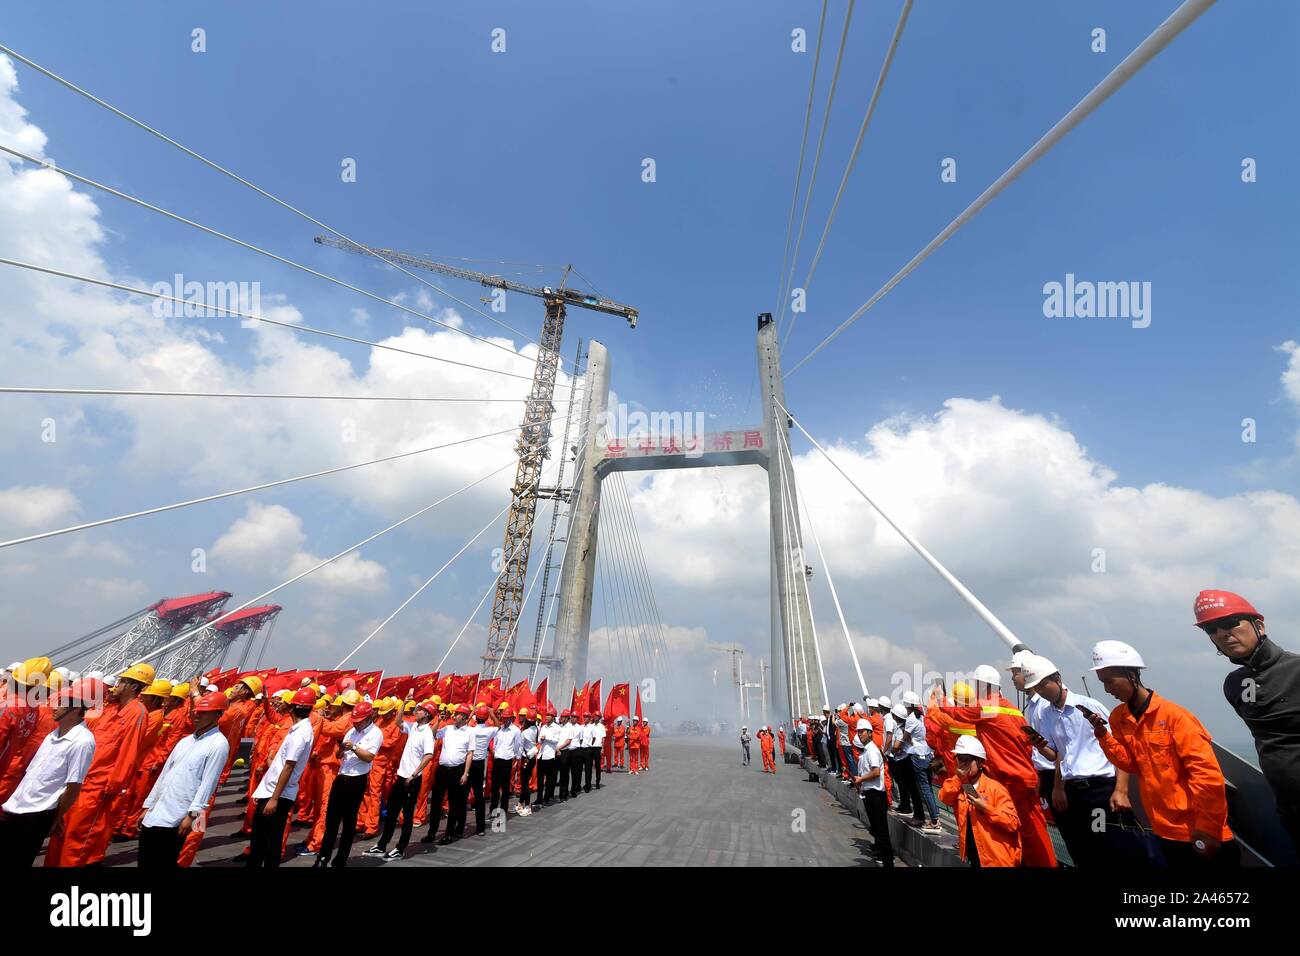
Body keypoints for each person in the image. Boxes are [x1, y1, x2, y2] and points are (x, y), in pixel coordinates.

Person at [1087, 640, 1240, 867]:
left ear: (1131, 674)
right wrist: (1103, 736)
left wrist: (1208, 828)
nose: (1108, 690)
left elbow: (1206, 776)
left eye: (1110, 681)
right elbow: (1130, 764)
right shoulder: (1118, 718)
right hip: (1162, 829)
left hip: (1197, 830)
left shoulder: (1175, 718)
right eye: (1103, 684)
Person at [1195, 589, 1300, 853]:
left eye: (1230, 623)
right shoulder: (1234, 685)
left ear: (1259, 625)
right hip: (1290, 811)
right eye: (1211, 629)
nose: (1221, 633)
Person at [928, 665, 1056, 867]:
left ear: (981, 685)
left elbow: (955, 714)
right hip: (1026, 777)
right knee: (1034, 832)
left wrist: (936, 700)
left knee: (1020, 833)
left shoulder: (987, 707)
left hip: (1010, 780)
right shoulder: (1013, 710)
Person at [1017, 654, 1124, 867]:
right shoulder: (1046, 714)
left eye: (1042, 686)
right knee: (1077, 847)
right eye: (1036, 688)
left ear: (1057, 678)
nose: (1040, 692)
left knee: (1103, 845)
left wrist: (1121, 790)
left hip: (1098, 792)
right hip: (1072, 793)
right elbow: (1056, 755)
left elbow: (1120, 750)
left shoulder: (1089, 706)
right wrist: (1040, 746)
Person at [45, 662, 152, 867]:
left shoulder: (137, 713)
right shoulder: (112, 709)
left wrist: (112, 786)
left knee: (77, 840)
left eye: (122, 682)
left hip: (98, 788)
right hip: (81, 782)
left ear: (133, 686)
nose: (116, 685)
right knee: (61, 833)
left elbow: (128, 752)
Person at [0, 677, 98, 867]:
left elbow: (73, 786)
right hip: (17, 807)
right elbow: (31, 774)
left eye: (60, 704)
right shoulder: (52, 735)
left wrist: (55, 817)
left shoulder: (83, 741)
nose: (54, 707)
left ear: (77, 709)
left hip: (36, 813)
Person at [137, 691, 229, 868]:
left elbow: (207, 785)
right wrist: (147, 807)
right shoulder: (185, 741)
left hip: (177, 817)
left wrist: (191, 816)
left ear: (218, 714)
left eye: (204, 712)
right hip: (156, 813)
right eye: (196, 711)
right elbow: (164, 776)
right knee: (145, 861)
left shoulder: (218, 744)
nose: (197, 715)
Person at [247, 685, 316, 867]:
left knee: (269, 843)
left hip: (278, 794)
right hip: (273, 789)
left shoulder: (300, 733)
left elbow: (289, 766)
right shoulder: (298, 729)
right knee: (262, 841)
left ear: (292, 708)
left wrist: (274, 799)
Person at [313, 700, 381, 867]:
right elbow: (338, 755)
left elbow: (369, 757)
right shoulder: (351, 731)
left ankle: (340, 860)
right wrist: (342, 749)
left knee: (349, 823)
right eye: (354, 721)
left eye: (358, 722)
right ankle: (322, 858)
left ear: (367, 718)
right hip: (342, 778)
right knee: (331, 821)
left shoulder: (375, 733)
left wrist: (354, 747)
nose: (356, 724)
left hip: (356, 781)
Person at [368, 699, 436, 859]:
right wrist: (404, 704)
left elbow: (428, 755)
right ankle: (382, 845)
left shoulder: (427, 732)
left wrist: (414, 774)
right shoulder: (414, 727)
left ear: (426, 715)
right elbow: (398, 721)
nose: (416, 711)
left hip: (412, 780)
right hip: (401, 777)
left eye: (419, 709)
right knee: (392, 812)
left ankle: (400, 848)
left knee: (406, 816)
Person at [939, 736, 1022, 867]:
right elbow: (944, 797)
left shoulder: (995, 788)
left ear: (979, 761)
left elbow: (1013, 822)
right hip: (976, 855)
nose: (962, 764)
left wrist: (985, 807)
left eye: (967, 759)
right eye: (960, 759)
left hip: (997, 859)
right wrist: (958, 778)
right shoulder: (960, 785)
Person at [423, 703, 473, 846]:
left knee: (453, 803)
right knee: (436, 802)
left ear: (463, 717)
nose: (454, 716)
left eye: (457, 714)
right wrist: (438, 721)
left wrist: (466, 773)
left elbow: (470, 754)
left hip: (457, 770)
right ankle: (431, 833)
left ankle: (448, 834)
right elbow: (432, 734)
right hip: (442, 769)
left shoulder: (470, 732)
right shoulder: (448, 728)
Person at [851, 718, 892, 867]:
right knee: (877, 829)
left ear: (869, 733)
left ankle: (888, 861)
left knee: (881, 831)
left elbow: (875, 772)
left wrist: (861, 778)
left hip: (876, 795)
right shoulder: (867, 751)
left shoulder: (872, 751)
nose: (860, 734)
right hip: (869, 794)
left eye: (862, 732)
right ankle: (884, 857)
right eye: (858, 732)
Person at [490, 707, 521, 816]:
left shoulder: (516, 731)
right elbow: (495, 742)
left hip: (507, 761)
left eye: (507, 718)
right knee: (494, 787)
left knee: (505, 787)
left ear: (512, 719)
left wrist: (516, 758)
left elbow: (517, 746)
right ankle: (492, 810)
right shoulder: (500, 729)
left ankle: (503, 809)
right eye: (503, 718)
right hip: (497, 760)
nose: (505, 720)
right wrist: (494, 751)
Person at [517, 708, 540, 815]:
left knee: (525, 783)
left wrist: (517, 759)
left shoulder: (524, 732)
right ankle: (520, 804)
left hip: (525, 758)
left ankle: (527, 805)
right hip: (532, 758)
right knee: (525, 782)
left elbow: (520, 748)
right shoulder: (537, 729)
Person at [538, 708, 562, 804]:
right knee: (540, 779)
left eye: (549, 715)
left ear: (553, 717)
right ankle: (539, 798)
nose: (546, 717)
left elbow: (556, 740)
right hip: (542, 755)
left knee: (549, 779)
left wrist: (546, 738)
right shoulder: (543, 727)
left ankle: (546, 797)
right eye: (546, 715)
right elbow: (539, 740)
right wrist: (542, 739)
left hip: (550, 756)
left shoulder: (557, 728)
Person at [589, 711, 606, 789]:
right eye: (595, 716)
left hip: (598, 748)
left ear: (599, 718)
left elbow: (603, 738)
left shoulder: (602, 727)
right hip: (591, 747)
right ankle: (588, 782)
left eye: (597, 716)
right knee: (589, 766)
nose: (595, 717)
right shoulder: (591, 726)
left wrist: (602, 748)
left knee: (597, 766)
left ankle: (597, 782)